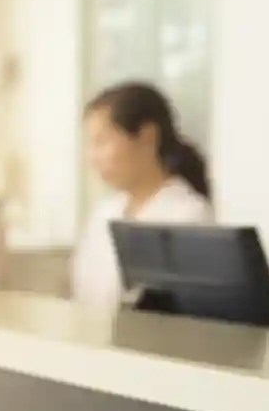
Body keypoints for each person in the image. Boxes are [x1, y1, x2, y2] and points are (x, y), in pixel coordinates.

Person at [72, 82, 213, 309]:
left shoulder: (187, 215)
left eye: (102, 142)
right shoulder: (105, 213)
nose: (93, 157)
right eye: (91, 144)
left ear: (148, 137)